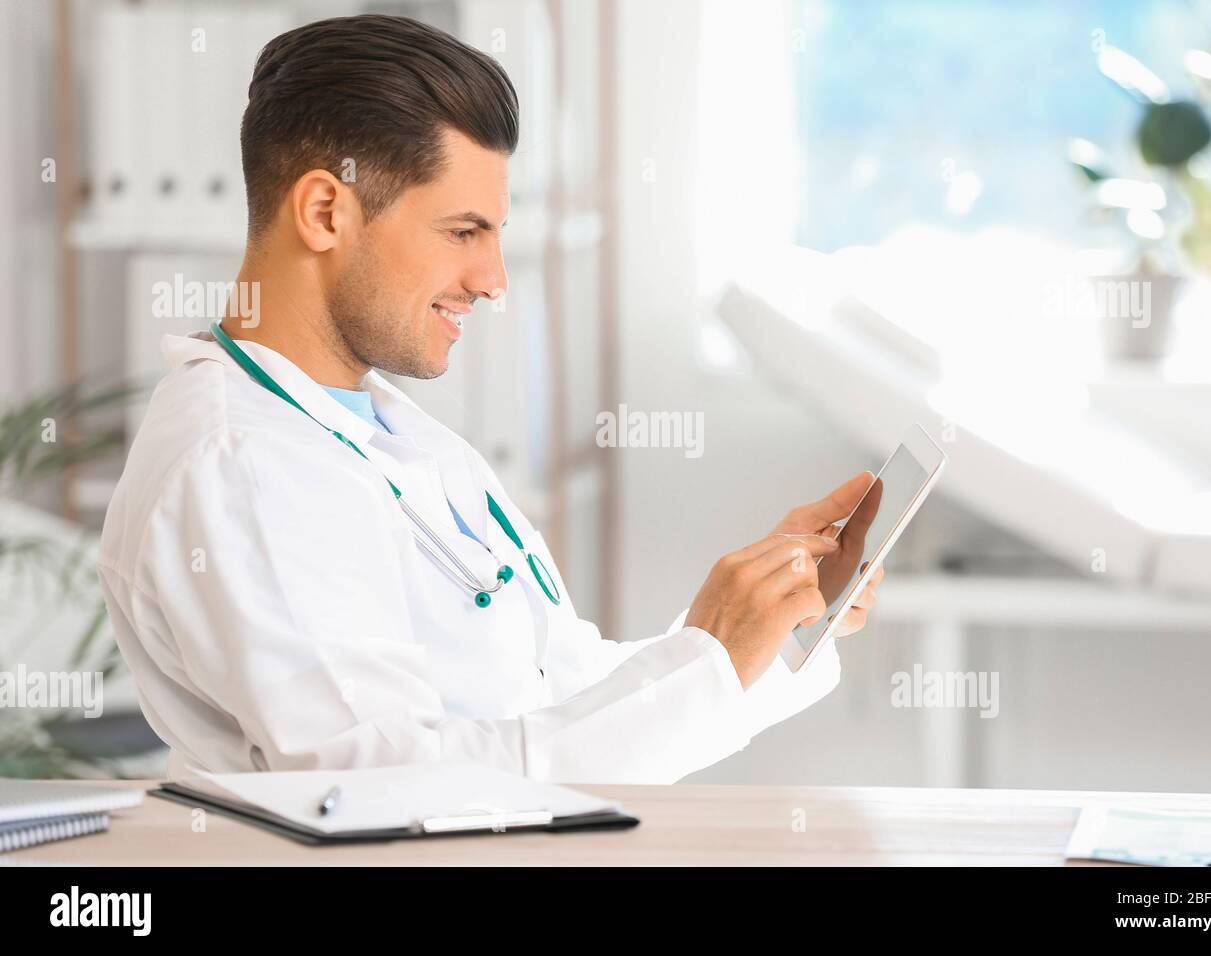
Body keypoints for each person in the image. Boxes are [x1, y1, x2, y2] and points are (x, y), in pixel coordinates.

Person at [97, 14, 883, 783]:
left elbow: (559, 691)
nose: (494, 280)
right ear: (324, 212)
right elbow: (387, 786)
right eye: (463, 232)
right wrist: (708, 656)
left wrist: (768, 629)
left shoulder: (392, 434)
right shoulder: (247, 466)